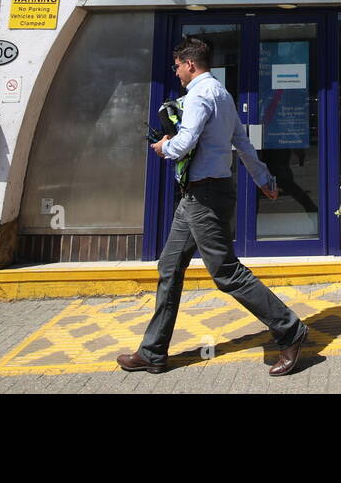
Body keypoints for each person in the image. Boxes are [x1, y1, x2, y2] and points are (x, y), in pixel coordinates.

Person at [117, 35, 310, 376]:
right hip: (200, 195)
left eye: (177, 66)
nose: (176, 73)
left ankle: (290, 330)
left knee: (226, 273)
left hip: (204, 196)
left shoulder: (198, 96)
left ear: (190, 64)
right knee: (169, 267)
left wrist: (164, 147)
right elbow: (242, 142)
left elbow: (185, 142)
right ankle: (152, 352)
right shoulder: (222, 94)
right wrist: (263, 179)